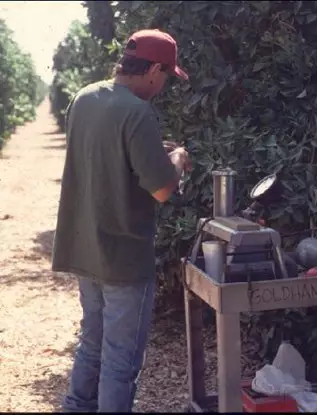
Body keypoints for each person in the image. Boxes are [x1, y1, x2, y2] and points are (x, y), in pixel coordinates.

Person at [51, 29, 192, 412]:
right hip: (124, 256)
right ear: (154, 70)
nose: (163, 85)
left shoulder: (84, 98)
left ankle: (76, 407)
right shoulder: (138, 111)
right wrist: (177, 159)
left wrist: (149, 154)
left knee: (92, 345)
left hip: (85, 248)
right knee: (120, 362)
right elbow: (162, 190)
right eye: (165, 77)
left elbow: (106, 157)